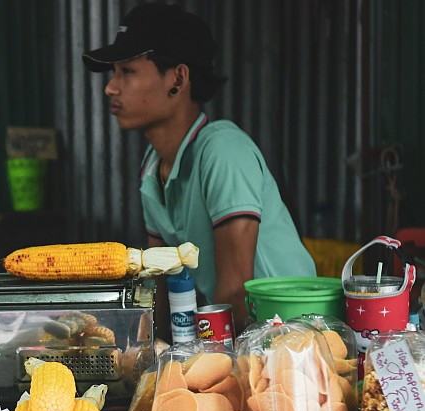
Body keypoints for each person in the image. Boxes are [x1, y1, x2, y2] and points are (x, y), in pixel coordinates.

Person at [82, 3, 315, 332]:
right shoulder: (152, 170)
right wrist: (151, 353)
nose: (111, 87)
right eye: (114, 73)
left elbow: (235, 291)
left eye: (127, 72)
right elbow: (161, 282)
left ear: (178, 78)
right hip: (239, 335)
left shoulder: (223, 150)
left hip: (292, 336)